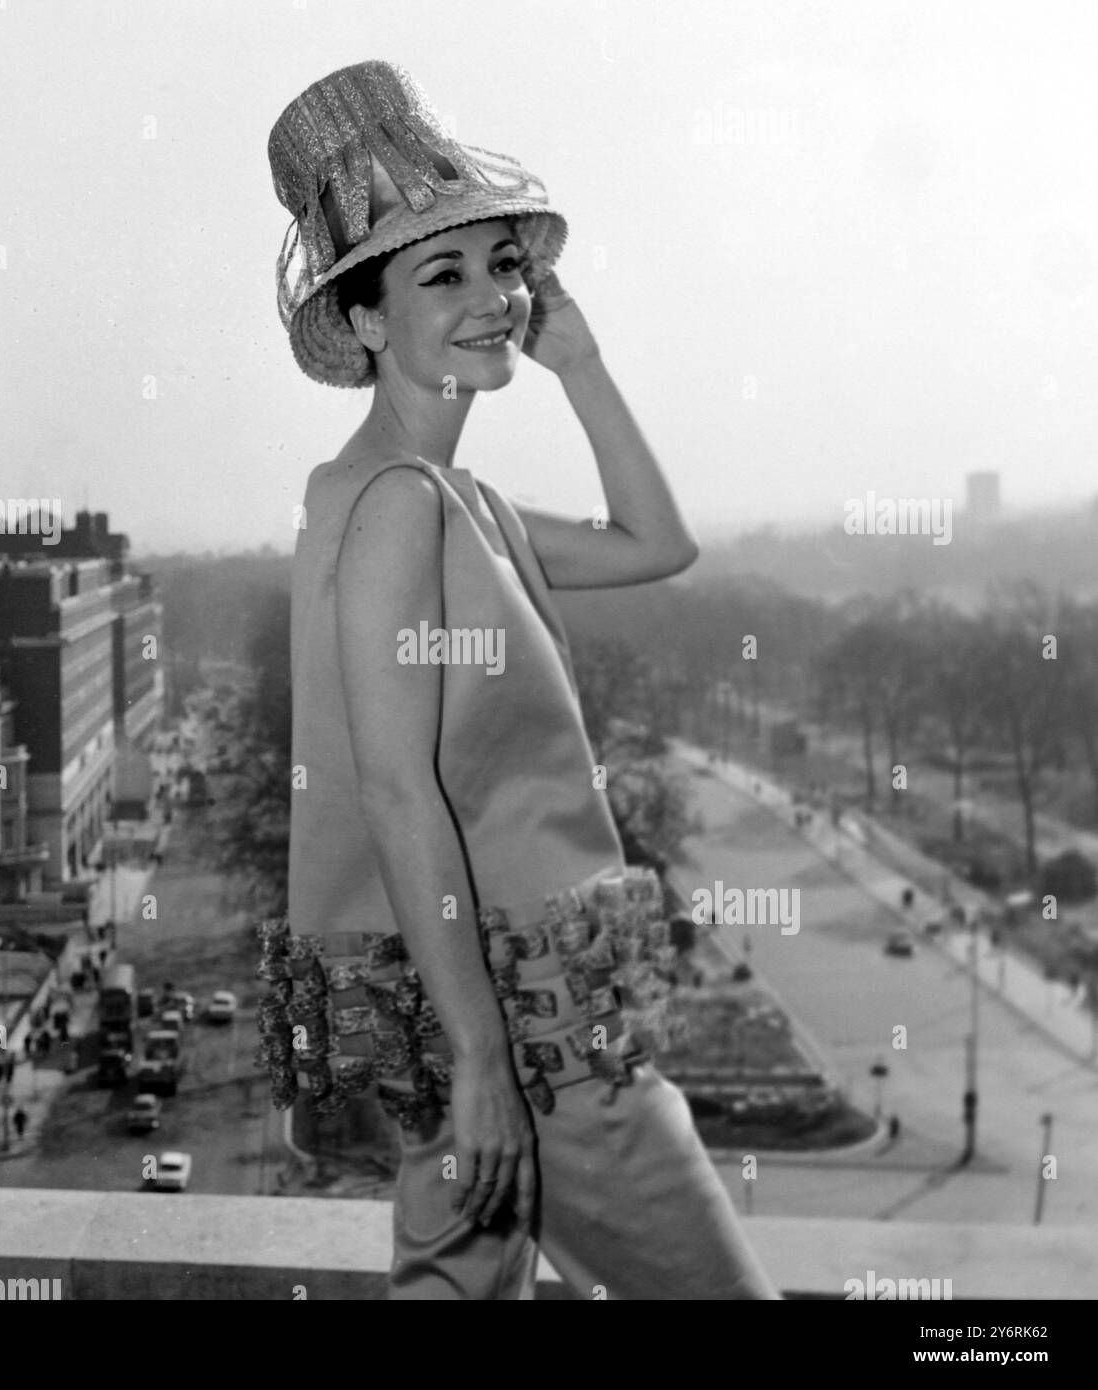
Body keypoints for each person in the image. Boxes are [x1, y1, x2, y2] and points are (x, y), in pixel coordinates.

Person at [257, 61, 777, 1301]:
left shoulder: (439, 501)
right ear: (367, 319)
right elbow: (396, 792)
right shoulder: (398, 509)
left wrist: (579, 362)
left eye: (502, 265)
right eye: (443, 275)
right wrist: (487, 1062)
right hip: (533, 1039)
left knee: (453, 1288)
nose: (493, 297)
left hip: (481, 1021)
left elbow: (659, 545)